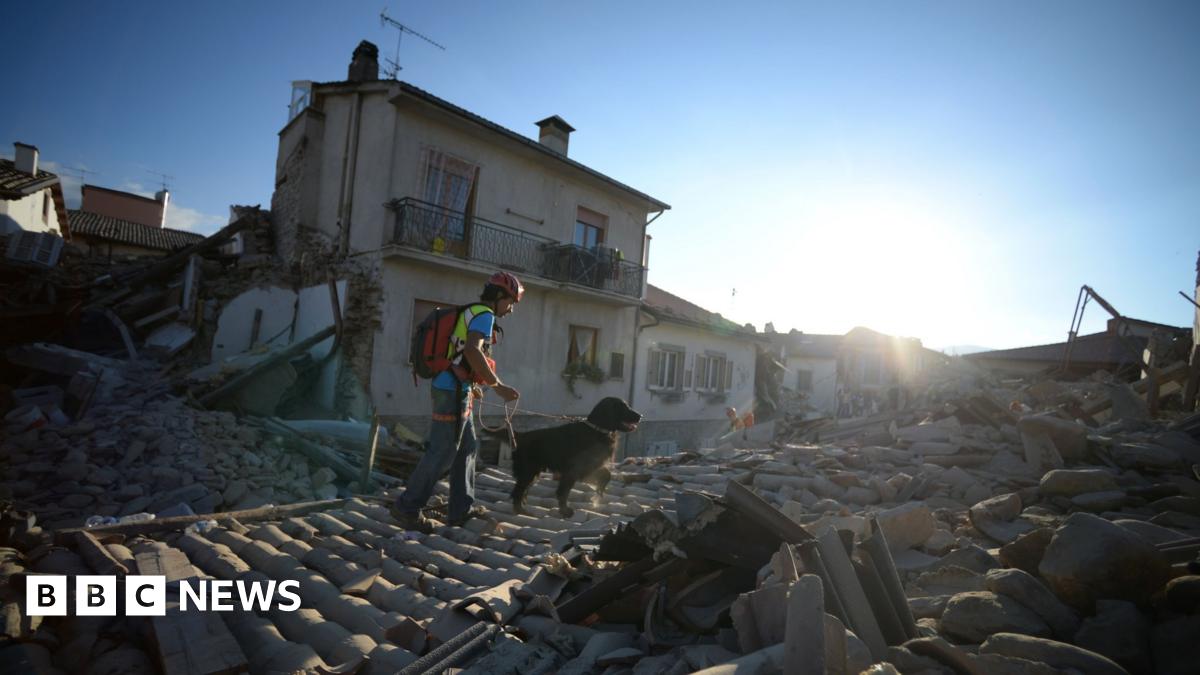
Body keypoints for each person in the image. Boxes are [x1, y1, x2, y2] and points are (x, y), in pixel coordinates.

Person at [391, 271, 523, 532]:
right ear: (498, 297)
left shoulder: (472, 311)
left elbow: (460, 353)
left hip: (456, 388)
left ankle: (461, 509)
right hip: (451, 393)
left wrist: (473, 385)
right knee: (442, 451)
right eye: (510, 302)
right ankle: (407, 508)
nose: (510, 309)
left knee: (468, 447)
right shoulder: (485, 315)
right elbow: (473, 350)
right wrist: (498, 386)